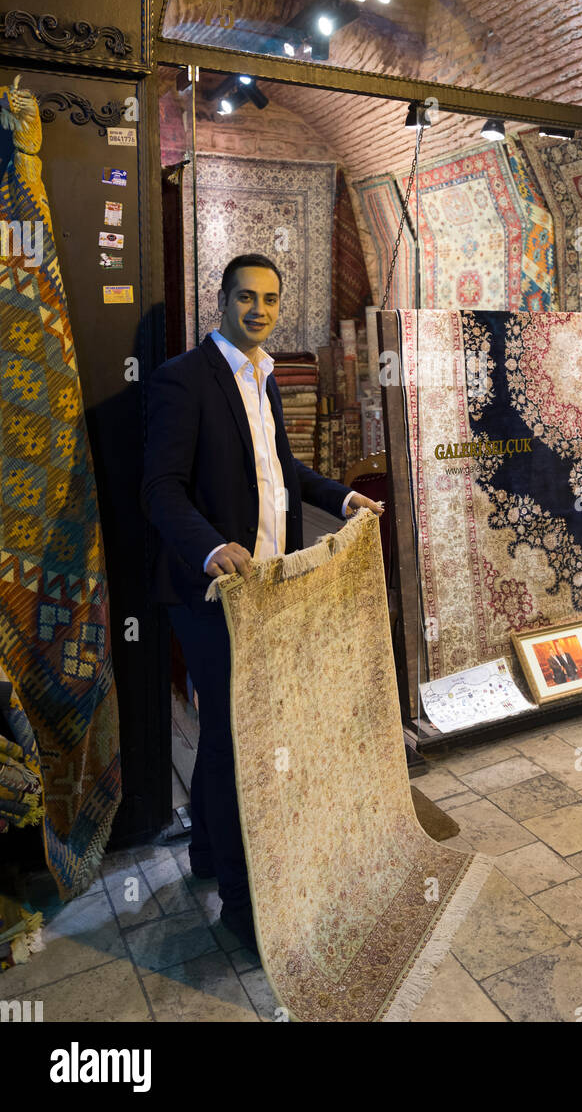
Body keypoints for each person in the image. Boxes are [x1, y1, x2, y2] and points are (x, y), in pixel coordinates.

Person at [141, 254, 383, 955]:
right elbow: (160, 489)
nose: (259, 309)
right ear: (219, 300)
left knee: (230, 732)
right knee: (234, 738)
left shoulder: (263, 375)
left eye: (270, 299)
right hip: (210, 589)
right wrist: (214, 548)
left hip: (265, 589)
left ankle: (211, 857)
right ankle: (246, 909)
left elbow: (278, 469)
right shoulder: (181, 381)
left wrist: (339, 497)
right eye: (246, 297)